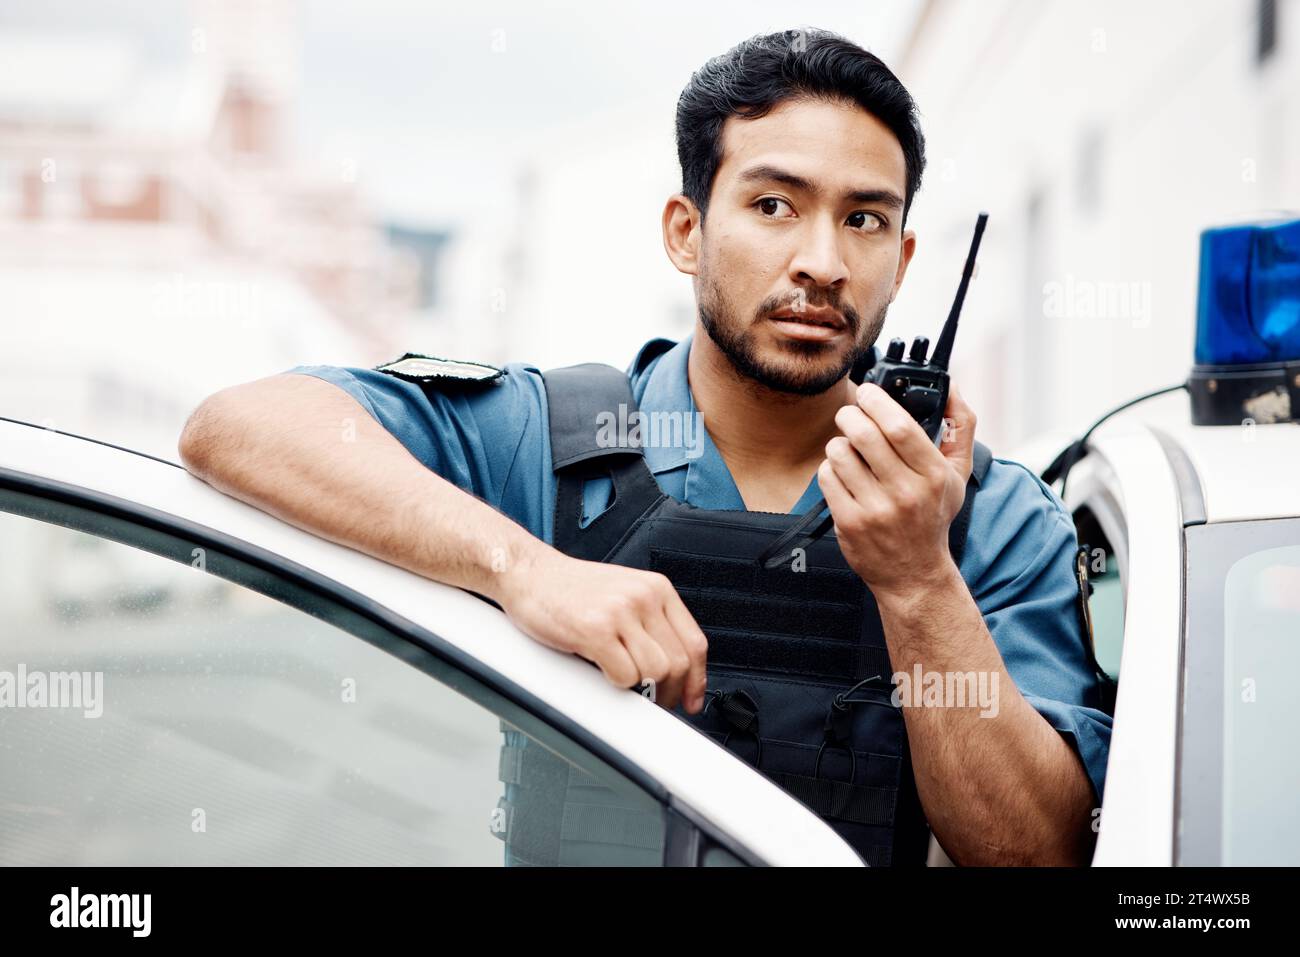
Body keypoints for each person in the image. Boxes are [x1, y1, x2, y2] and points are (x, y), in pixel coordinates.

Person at [178, 28, 1111, 866]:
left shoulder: (986, 514)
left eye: (864, 219)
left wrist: (918, 582)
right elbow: (237, 427)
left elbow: (1039, 857)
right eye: (776, 205)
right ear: (687, 231)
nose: (823, 261)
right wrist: (524, 568)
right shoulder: (547, 442)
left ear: (903, 261)